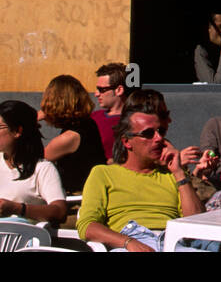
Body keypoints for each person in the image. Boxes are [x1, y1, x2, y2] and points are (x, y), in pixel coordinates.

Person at [78, 90, 206, 251]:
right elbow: (87, 226)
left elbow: (196, 225)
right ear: (127, 141)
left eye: (161, 131)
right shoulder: (104, 174)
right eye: (148, 133)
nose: (158, 138)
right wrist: (128, 242)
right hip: (129, 240)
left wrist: (180, 173)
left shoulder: (172, 174)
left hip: (171, 242)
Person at [38, 74, 105, 194]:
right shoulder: (88, 124)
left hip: (77, 199)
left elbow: (34, 162)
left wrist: (29, 123)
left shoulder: (69, 137)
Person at [91, 62, 129, 161]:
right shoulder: (93, 117)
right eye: (97, 89)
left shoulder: (134, 121)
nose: (96, 94)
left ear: (119, 90)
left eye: (101, 89)